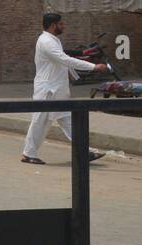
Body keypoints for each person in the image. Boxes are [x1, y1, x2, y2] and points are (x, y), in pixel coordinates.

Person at [21, 13, 107, 165]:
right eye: (61, 24)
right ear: (53, 25)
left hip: (57, 90)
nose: (63, 26)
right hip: (48, 90)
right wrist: (93, 66)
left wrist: (83, 53)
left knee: (68, 121)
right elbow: (64, 59)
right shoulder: (46, 41)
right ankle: (28, 154)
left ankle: (83, 152)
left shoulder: (53, 40)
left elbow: (64, 55)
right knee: (40, 121)